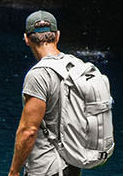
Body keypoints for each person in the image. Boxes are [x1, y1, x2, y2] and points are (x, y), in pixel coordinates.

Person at [8, 10, 80, 176]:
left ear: (26, 39)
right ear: (57, 36)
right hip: (72, 165)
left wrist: (14, 172)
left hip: (46, 168)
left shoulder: (38, 75)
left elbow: (29, 131)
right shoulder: (75, 65)